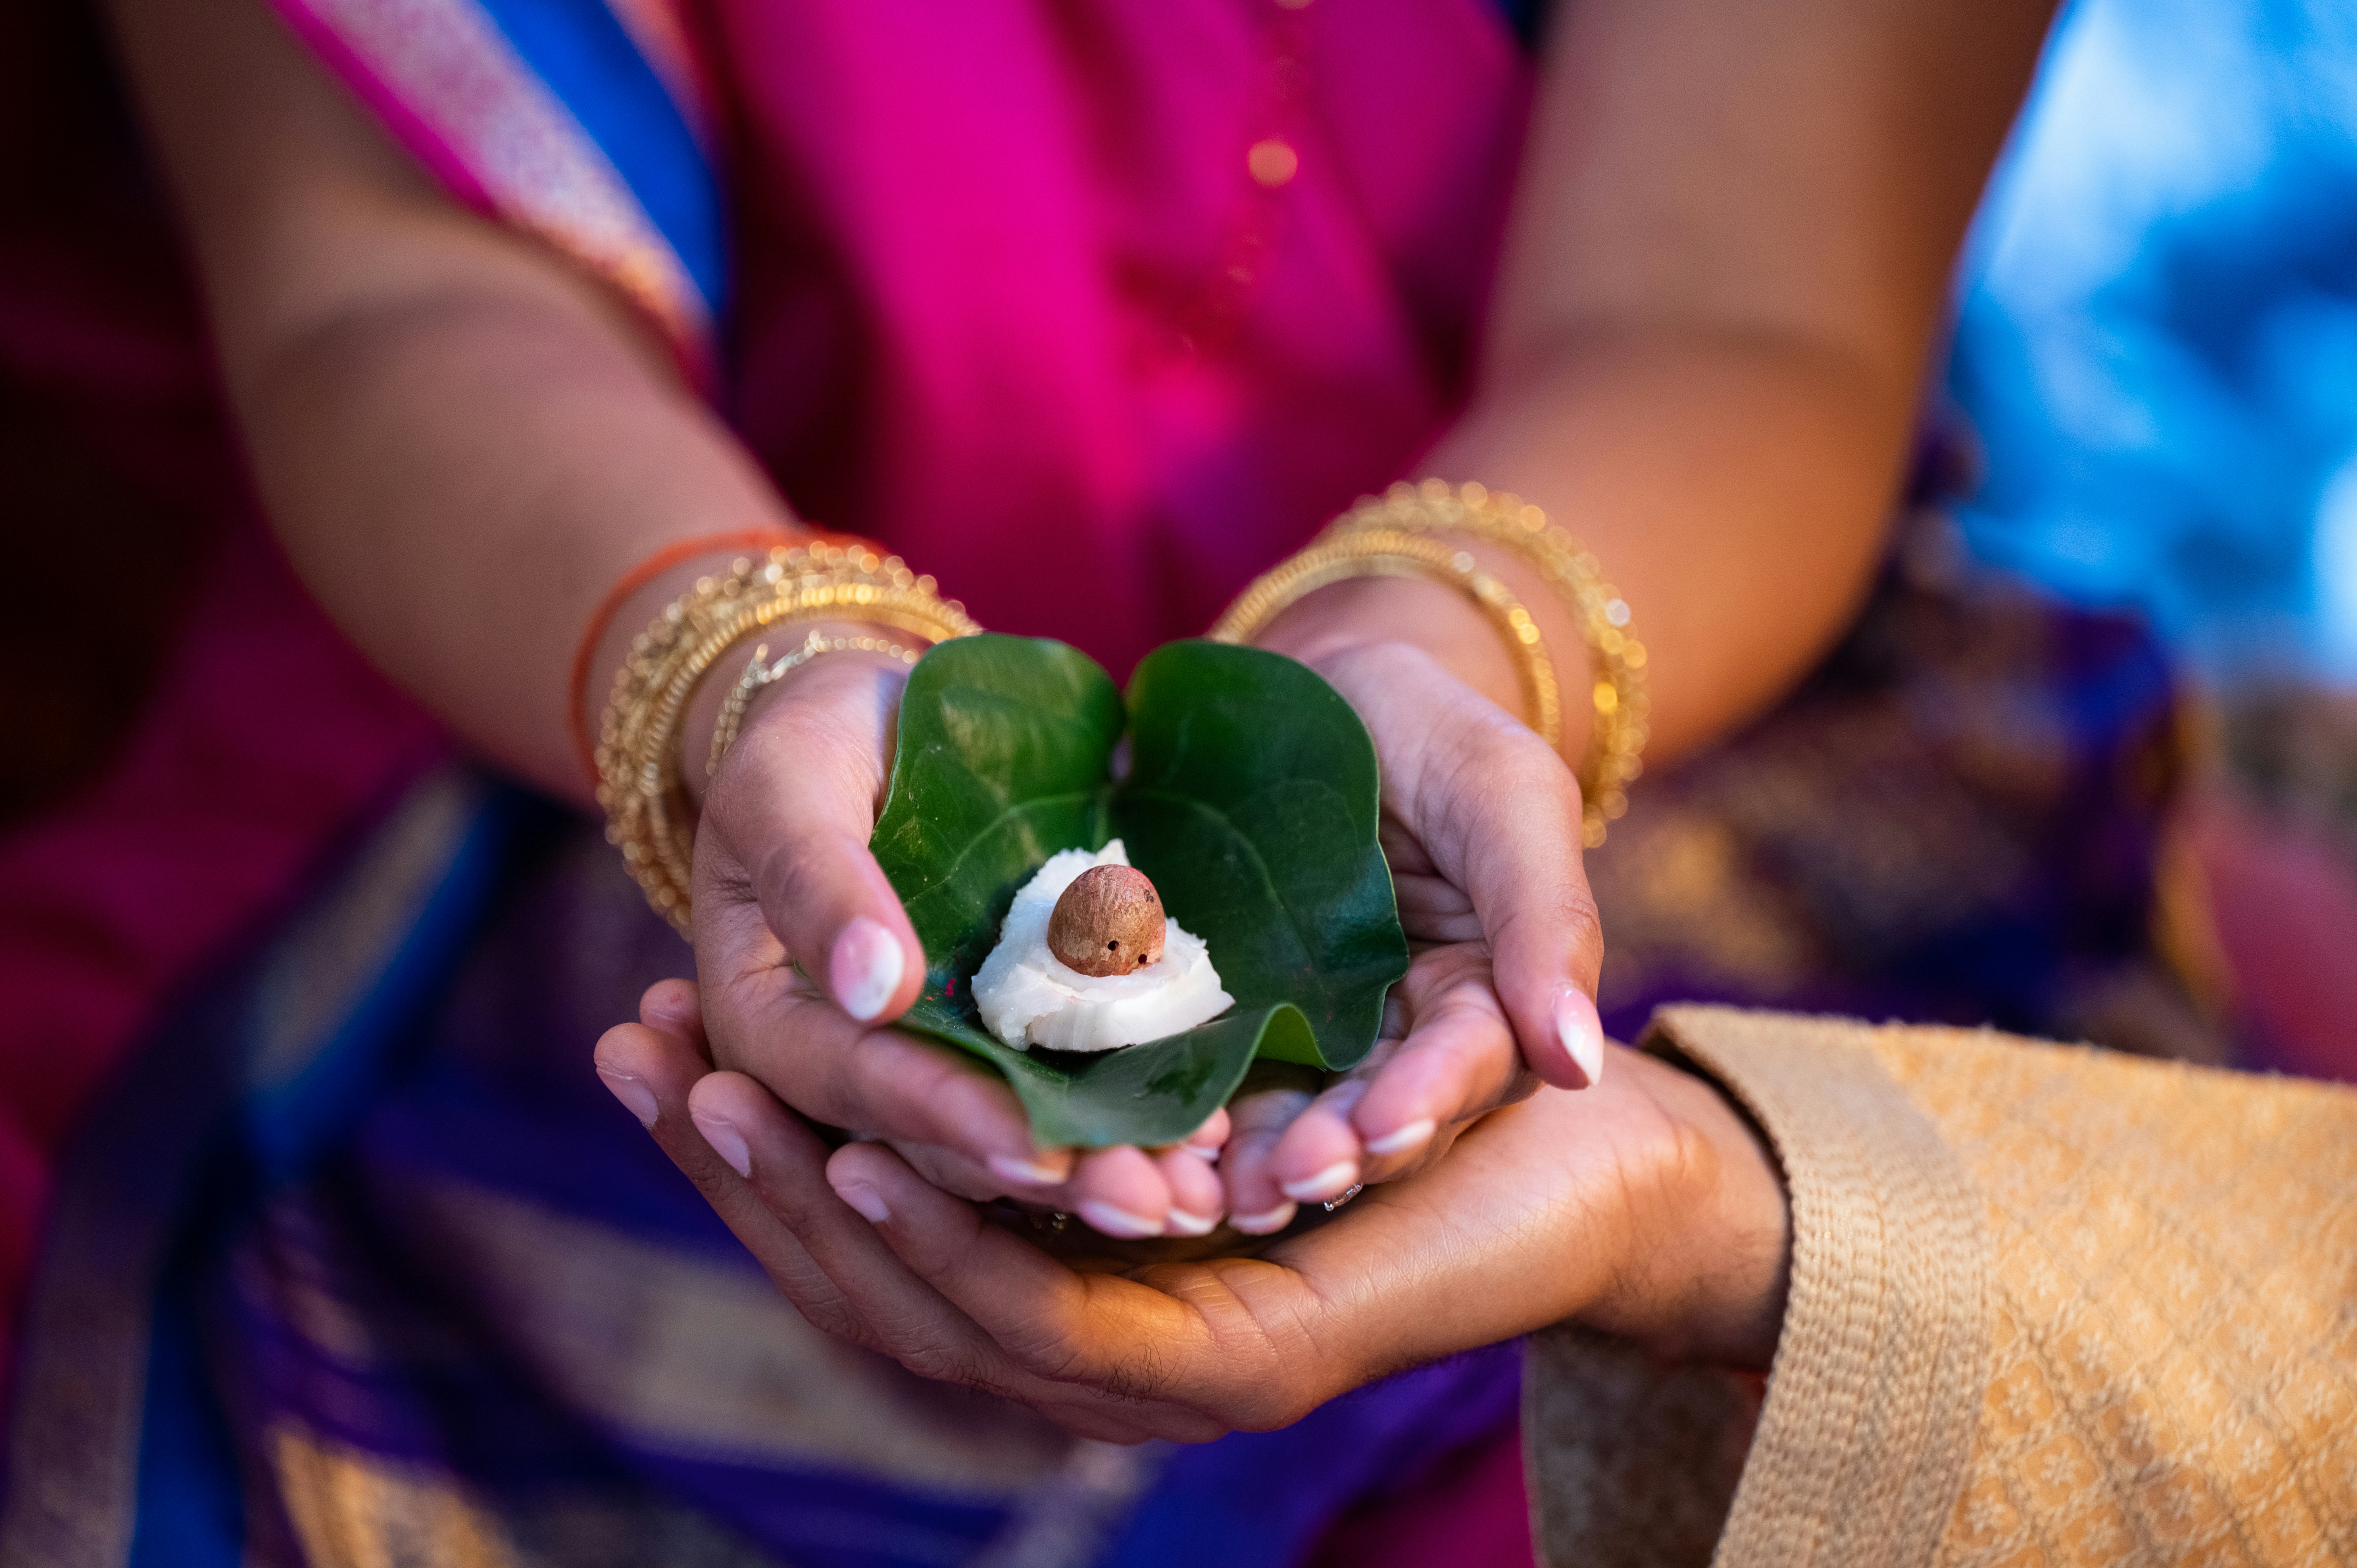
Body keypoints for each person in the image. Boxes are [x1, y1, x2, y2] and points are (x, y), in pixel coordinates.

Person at [2, 0, 2313, 1562]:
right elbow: (392, 289)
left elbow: (1741, 322)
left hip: (1603, 688)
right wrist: (730, 669)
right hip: (537, 669)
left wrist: (1423, 645)